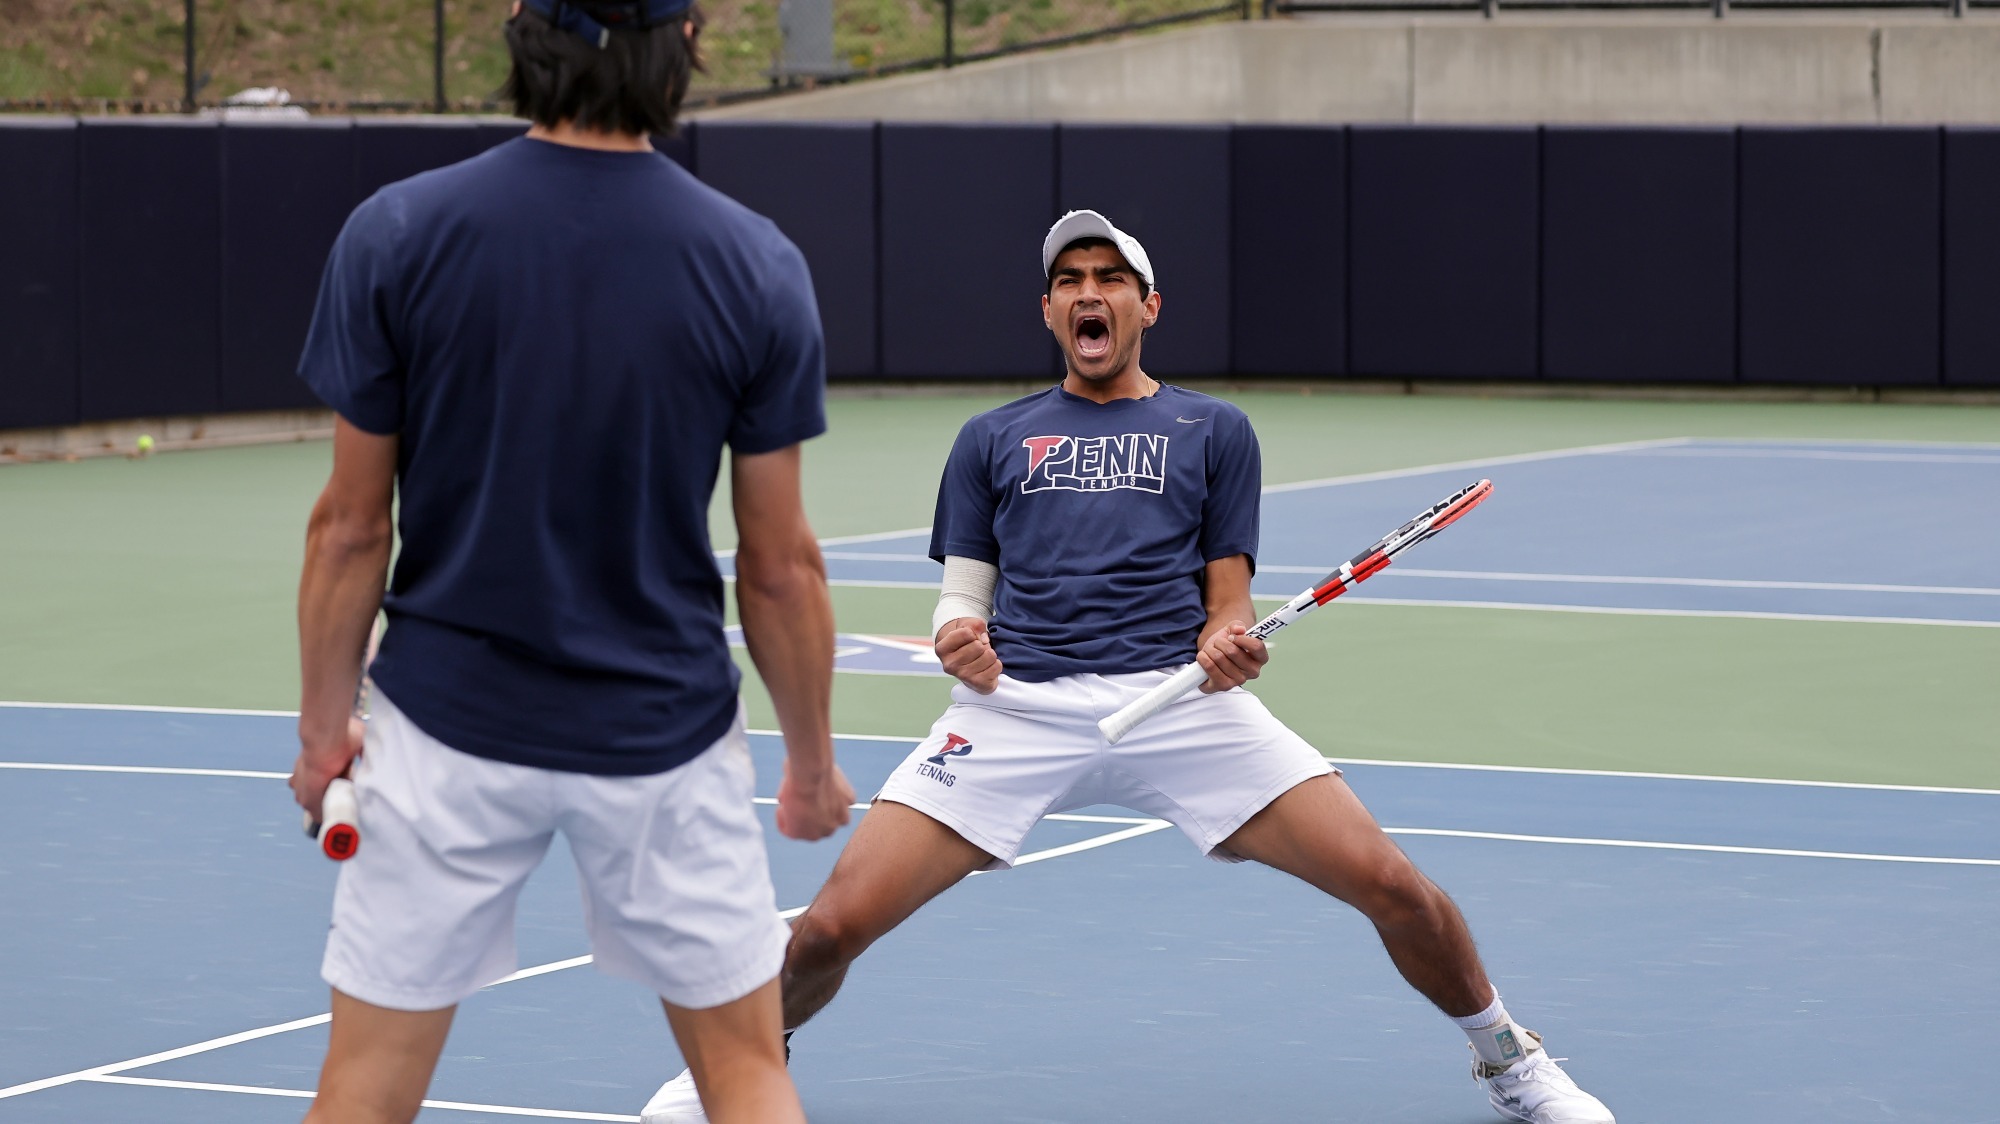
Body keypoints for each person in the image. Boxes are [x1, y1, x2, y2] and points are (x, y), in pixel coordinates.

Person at [642, 210, 1615, 1124]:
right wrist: (955, 636)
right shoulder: (991, 437)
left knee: (1391, 884)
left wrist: (1223, 642)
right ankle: (732, 1069)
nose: (1086, 292)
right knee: (827, 927)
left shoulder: (1212, 430)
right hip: (1014, 710)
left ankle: (1510, 1060)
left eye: (1109, 277)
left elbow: (1225, 595)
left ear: (1146, 306)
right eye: (1067, 280)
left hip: (1180, 706)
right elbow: (960, 597)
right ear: (1048, 310)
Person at [288, 1, 855, 1120]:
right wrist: (809, 765)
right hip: (663, 736)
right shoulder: (754, 261)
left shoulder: (397, 231)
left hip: (441, 731)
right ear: (686, 44)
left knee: (361, 1089)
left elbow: (350, 527)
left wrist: (320, 739)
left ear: (519, 32)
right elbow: (779, 565)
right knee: (746, 1071)